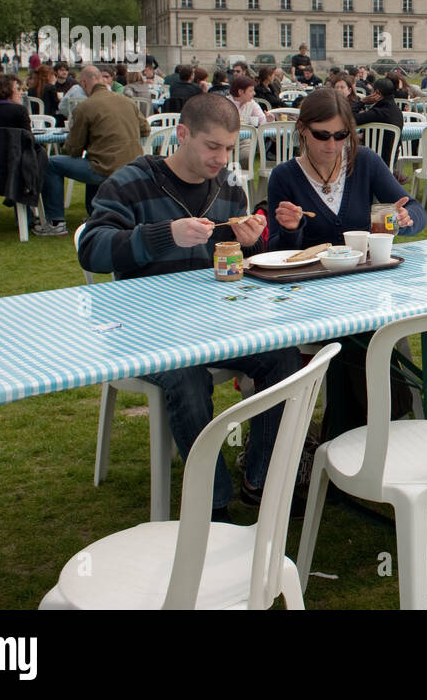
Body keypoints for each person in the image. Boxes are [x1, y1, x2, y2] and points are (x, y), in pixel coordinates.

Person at [77, 93, 300, 520]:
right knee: (187, 378)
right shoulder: (131, 182)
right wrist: (165, 235)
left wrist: (251, 240)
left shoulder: (229, 190)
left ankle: (261, 478)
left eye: (229, 148)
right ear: (182, 134)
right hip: (144, 329)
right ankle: (212, 503)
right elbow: (92, 248)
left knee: (285, 357)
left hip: (214, 324)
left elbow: (228, 257)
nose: (221, 158)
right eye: (212, 146)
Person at [267, 88, 426, 248]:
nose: (331, 145)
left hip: (363, 269)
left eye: (340, 135)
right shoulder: (284, 176)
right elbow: (274, 250)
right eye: (322, 135)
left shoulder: (364, 161)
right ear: (302, 128)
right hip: (311, 273)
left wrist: (405, 218)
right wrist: (290, 230)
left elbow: (415, 208)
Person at [35, 65, 150, 235]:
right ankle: (96, 214)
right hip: (132, 166)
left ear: (83, 83)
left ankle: (55, 221)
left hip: (104, 168)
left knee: (52, 163)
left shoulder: (85, 107)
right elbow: (145, 130)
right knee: (93, 158)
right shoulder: (127, 102)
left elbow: (73, 149)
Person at [354, 77, 403, 166]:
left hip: (373, 160)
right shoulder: (397, 111)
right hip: (391, 160)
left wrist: (362, 101)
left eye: (372, 91)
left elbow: (350, 118)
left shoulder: (379, 112)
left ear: (377, 93)